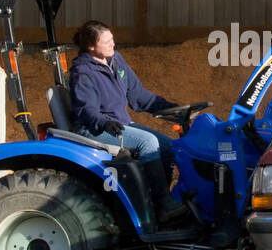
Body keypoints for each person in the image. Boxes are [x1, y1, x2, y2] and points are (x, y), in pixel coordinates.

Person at [69, 20, 190, 227]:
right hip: (95, 128)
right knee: (147, 143)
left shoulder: (116, 61)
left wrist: (172, 108)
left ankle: (157, 201)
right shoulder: (83, 73)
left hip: (119, 123)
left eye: (112, 39)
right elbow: (86, 110)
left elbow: (139, 96)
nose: (112, 44)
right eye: (106, 42)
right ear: (91, 47)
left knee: (168, 146)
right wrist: (103, 123)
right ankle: (163, 204)